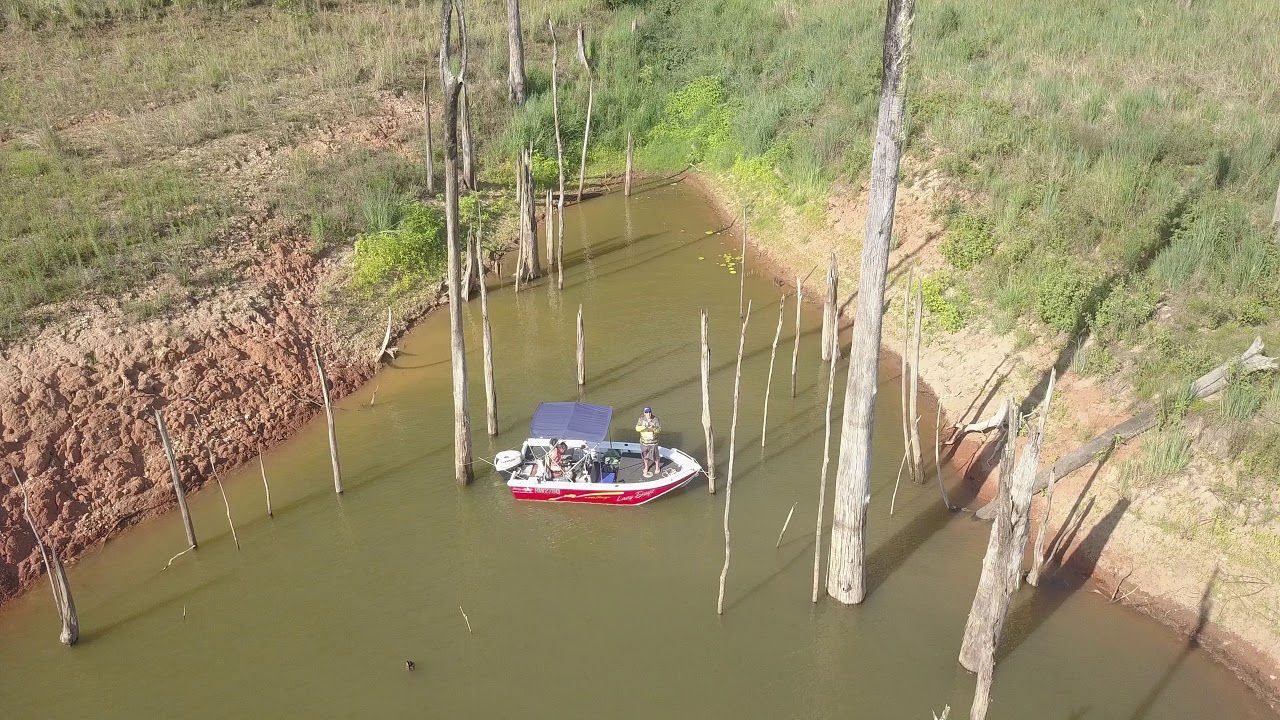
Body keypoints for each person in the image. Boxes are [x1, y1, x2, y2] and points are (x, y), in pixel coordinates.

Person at [635, 406, 661, 478]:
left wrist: (653, 428)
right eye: (646, 412)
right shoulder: (641, 419)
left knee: (655, 456)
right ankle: (646, 467)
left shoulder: (655, 419)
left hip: (653, 442)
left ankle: (657, 467)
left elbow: (659, 430)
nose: (648, 414)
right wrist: (644, 426)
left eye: (649, 412)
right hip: (644, 442)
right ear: (644, 413)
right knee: (645, 456)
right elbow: (637, 428)